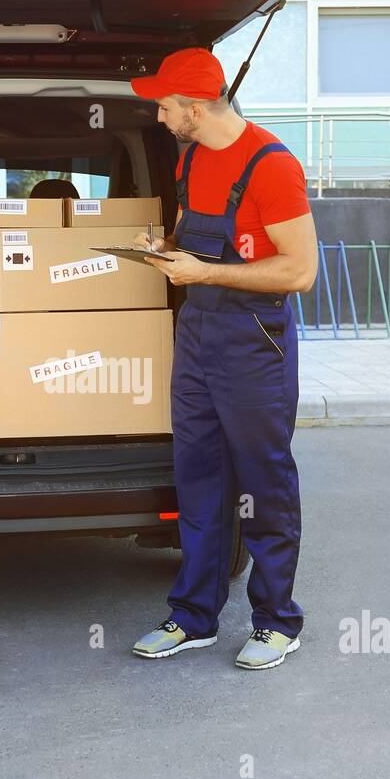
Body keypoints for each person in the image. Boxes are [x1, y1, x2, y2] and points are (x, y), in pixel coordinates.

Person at [128, 47, 317, 670]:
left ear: (196, 106)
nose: (158, 116)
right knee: (199, 479)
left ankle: (276, 621)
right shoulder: (190, 158)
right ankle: (194, 617)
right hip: (199, 338)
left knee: (264, 483)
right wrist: (164, 248)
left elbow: (301, 271)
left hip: (253, 343)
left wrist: (205, 273)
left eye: (164, 105)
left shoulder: (272, 165)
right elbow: (192, 237)